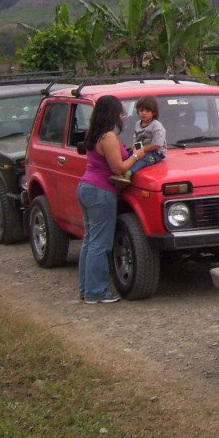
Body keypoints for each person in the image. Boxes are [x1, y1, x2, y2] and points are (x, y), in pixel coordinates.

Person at [78, 95, 150, 303]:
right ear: (112, 113)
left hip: (87, 187)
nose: (122, 115)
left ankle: (87, 289)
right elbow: (118, 168)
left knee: (90, 241)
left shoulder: (94, 133)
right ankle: (97, 292)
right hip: (100, 190)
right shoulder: (108, 137)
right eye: (120, 111)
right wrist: (137, 155)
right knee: (101, 243)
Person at [117, 95, 167, 182]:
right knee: (126, 154)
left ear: (154, 112)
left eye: (147, 111)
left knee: (143, 160)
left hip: (156, 153)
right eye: (141, 110)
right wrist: (135, 148)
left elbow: (157, 145)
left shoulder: (156, 126)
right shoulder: (137, 124)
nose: (144, 113)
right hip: (141, 149)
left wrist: (141, 150)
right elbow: (136, 138)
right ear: (137, 111)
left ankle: (129, 172)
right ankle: (119, 171)